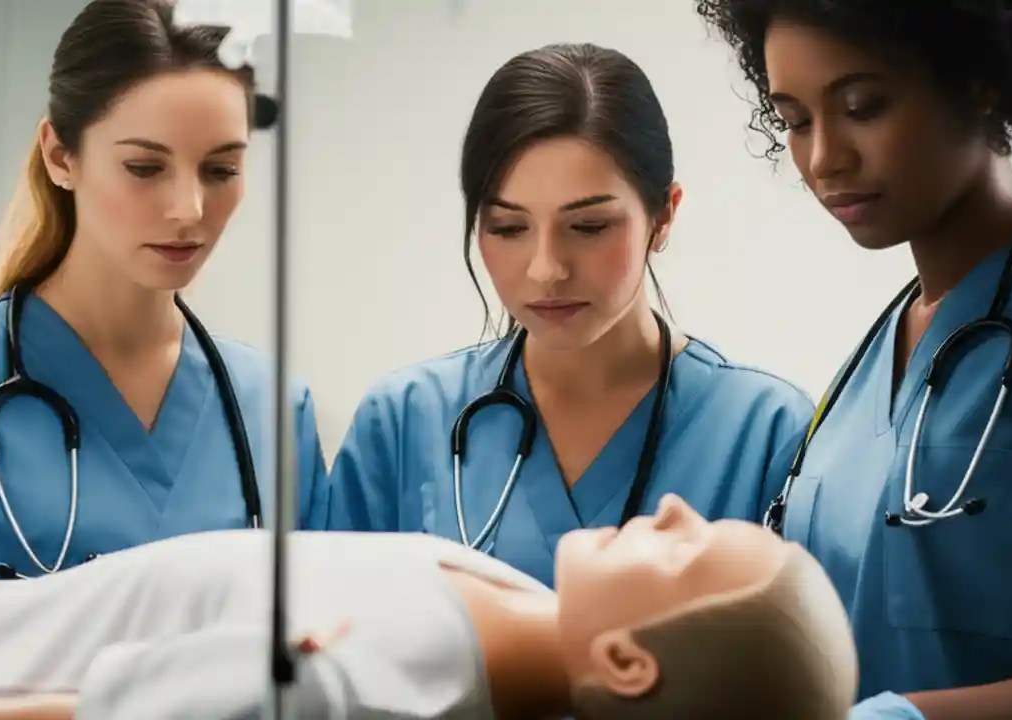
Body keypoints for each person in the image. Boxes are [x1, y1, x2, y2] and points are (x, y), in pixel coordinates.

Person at [694, 1, 1012, 717]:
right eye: (795, 120)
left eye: (862, 106)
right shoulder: (858, 377)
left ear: (980, 82)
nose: (824, 159)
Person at [324, 42, 815, 588]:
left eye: (589, 227)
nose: (545, 270)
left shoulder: (766, 432)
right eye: (509, 229)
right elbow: (339, 643)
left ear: (663, 216)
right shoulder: (403, 422)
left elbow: (801, 664)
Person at [0, 0, 328, 587]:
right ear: (60, 155)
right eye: (145, 168)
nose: (188, 210)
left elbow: (322, 635)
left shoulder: (271, 408)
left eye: (220, 171)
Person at [0, 494, 858, 719]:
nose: (678, 509)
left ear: (625, 664)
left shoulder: (373, 682)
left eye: (686, 550)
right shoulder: (512, 602)